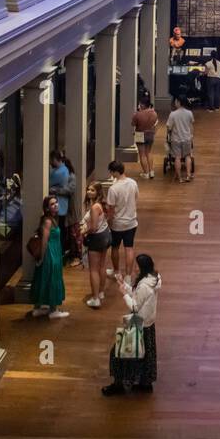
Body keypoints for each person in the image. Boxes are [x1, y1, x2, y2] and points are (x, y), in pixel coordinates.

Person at [102, 254, 161, 397]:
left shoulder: (144, 286)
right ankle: (145, 383)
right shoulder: (153, 280)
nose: (134, 268)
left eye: (136, 266)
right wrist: (124, 285)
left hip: (137, 322)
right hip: (148, 323)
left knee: (118, 353)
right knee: (145, 355)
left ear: (142, 268)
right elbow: (138, 295)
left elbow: (134, 306)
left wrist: (124, 294)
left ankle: (118, 384)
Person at [29, 195, 68, 319]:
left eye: (56, 202)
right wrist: (41, 257)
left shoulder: (52, 219)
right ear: (47, 208)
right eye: (52, 204)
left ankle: (38, 307)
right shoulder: (48, 221)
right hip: (51, 254)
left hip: (54, 252)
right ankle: (53, 309)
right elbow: (45, 241)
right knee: (52, 279)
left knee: (44, 278)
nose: (56, 205)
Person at [106, 162, 139, 282]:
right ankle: (128, 276)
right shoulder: (133, 183)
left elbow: (111, 209)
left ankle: (116, 271)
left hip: (117, 223)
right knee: (129, 248)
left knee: (115, 247)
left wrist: (108, 223)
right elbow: (136, 198)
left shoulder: (113, 189)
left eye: (111, 171)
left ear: (115, 172)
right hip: (131, 221)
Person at [81, 183, 111, 308]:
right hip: (105, 235)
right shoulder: (101, 205)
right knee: (102, 266)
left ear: (98, 192)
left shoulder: (94, 208)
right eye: (88, 189)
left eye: (92, 190)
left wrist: (84, 231)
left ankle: (95, 298)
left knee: (93, 269)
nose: (89, 192)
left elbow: (93, 227)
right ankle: (101, 292)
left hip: (96, 238)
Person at [165, 98, 195, 183]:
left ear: (178, 102)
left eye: (175, 102)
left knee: (177, 157)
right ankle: (188, 175)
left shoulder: (173, 114)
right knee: (188, 156)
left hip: (176, 139)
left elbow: (169, 127)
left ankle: (179, 177)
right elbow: (191, 126)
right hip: (187, 138)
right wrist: (191, 135)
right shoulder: (189, 113)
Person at [48, 150, 70, 253]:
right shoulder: (65, 169)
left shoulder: (58, 172)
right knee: (61, 228)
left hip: (58, 206)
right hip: (63, 205)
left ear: (55, 159)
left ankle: (58, 250)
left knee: (57, 230)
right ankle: (62, 249)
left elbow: (48, 183)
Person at [132, 99, 158, 178]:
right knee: (149, 152)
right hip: (150, 133)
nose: (138, 106)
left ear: (142, 105)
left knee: (142, 154)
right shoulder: (154, 113)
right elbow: (155, 123)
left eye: (139, 104)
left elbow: (133, 124)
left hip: (140, 134)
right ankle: (151, 171)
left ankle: (146, 173)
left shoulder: (137, 114)